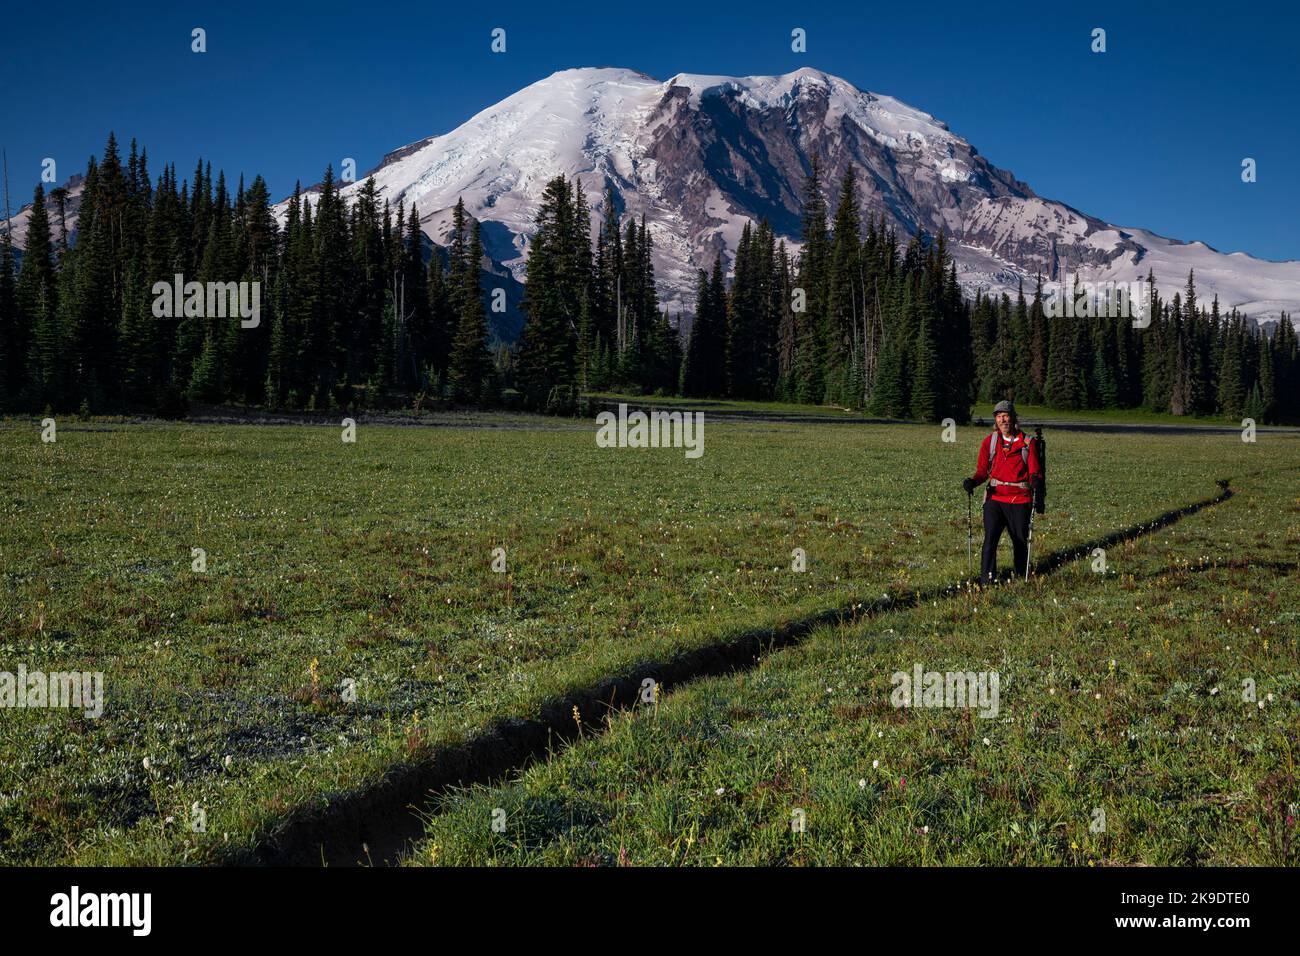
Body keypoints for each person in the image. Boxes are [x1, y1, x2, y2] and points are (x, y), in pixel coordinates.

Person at [962, 400, 1043, 583]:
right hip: (995, 499)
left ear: (1013, 417)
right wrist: (972, 482)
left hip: (1020, 499)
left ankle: (1022, 576)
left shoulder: (1027, 443)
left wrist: (1035, 480)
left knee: (1020, 541)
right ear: (996, 420)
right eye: (999, 416)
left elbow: (1034, 472)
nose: (1002, 420)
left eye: (1006, 415)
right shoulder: (989, 442)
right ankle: (987, 580)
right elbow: (982, 472)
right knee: (990, 540)